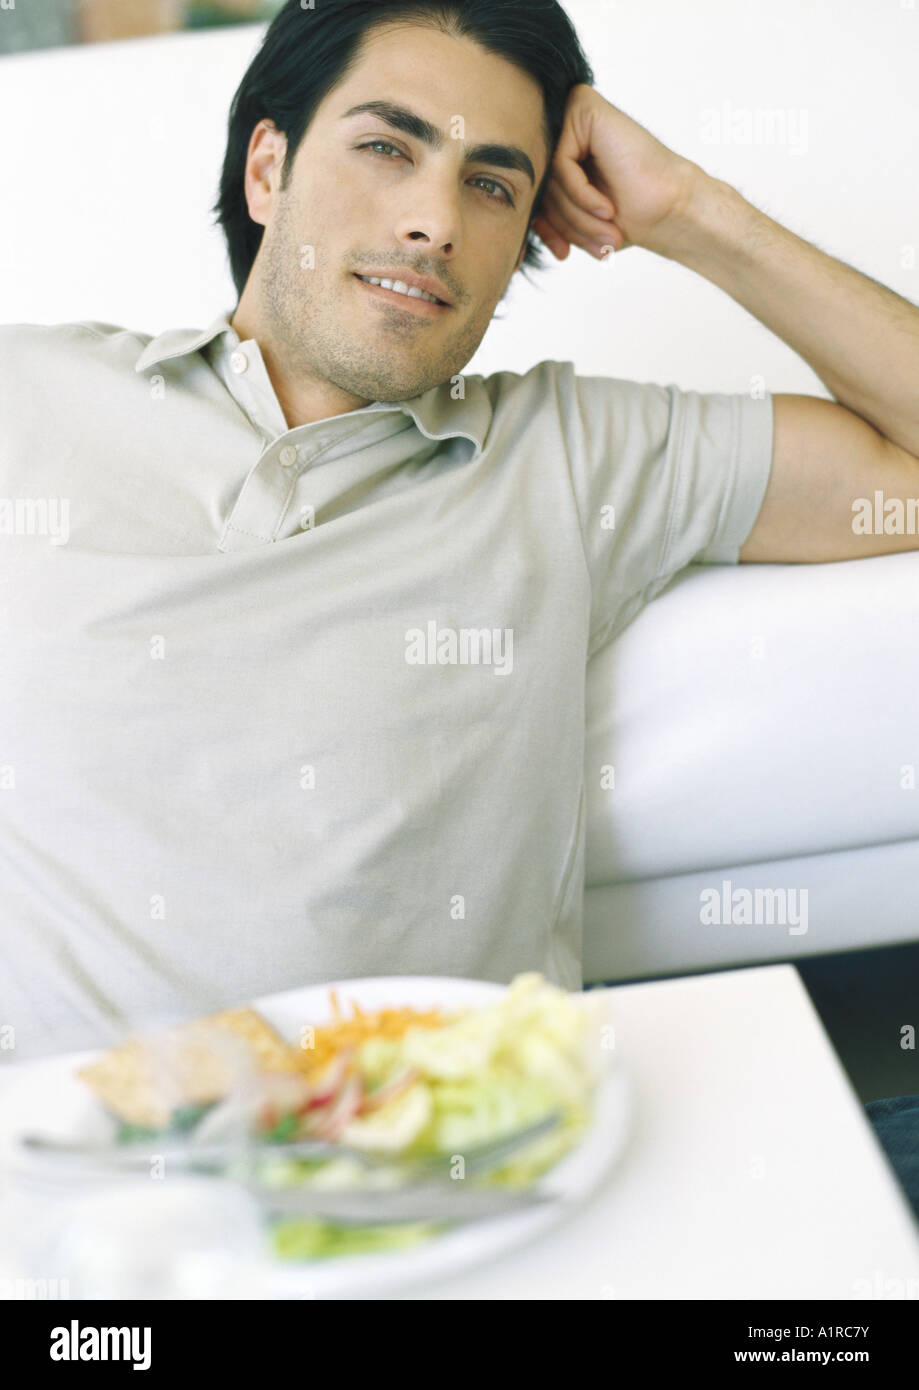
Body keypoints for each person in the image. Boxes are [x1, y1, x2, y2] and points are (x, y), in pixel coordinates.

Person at [2, 0, 918, 1096]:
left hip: (444, 1194)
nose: (434, 221)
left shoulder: (574, 454)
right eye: (387, 146)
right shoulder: (32, 396)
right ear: (266, 170)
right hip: (67, 1200)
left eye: (492, 184)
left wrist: (687, 208)